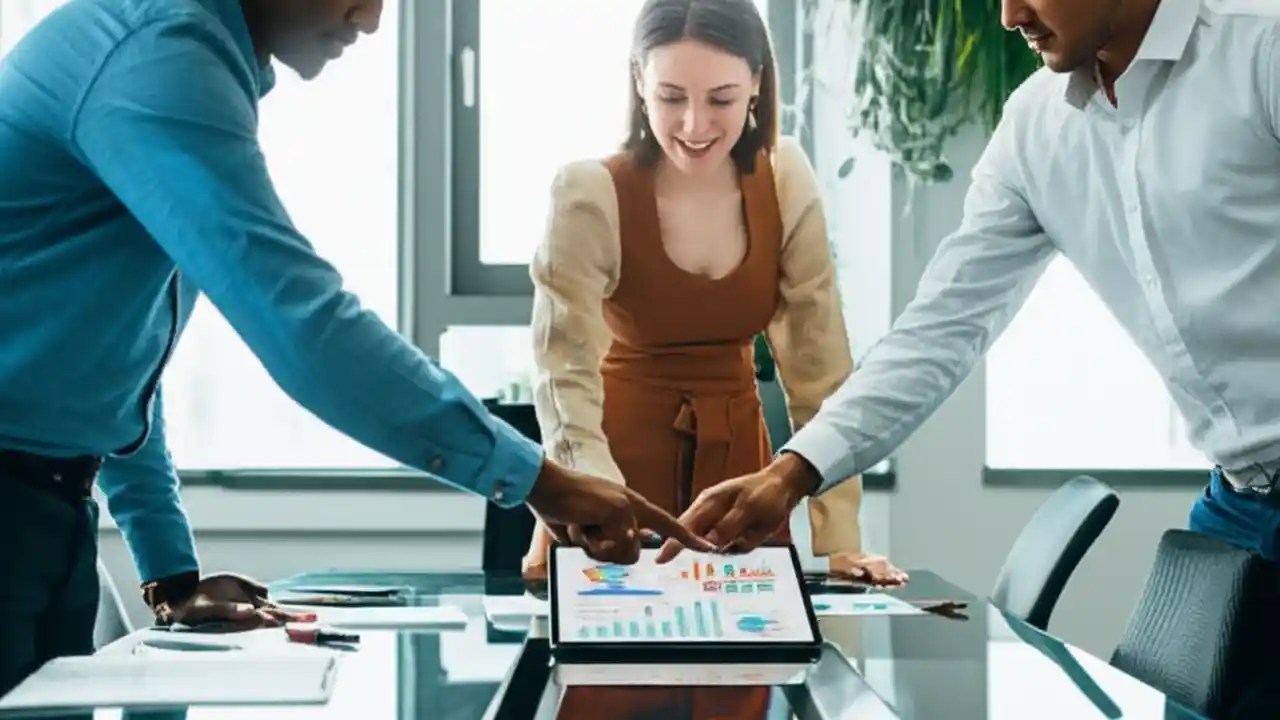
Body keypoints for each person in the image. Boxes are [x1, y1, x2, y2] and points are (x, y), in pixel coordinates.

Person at [0, 0, 710, 698]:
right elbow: (305, 327)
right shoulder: (159, 56)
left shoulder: (178, 57)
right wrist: (537, 480)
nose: (369, 20)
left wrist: (170, 575)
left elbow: (115, 365)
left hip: (51, 507)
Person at [659, 0, 1280, 569]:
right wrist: (792, 471)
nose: (1009, 16)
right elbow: (940, 326)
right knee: (1187, 699)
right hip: (1240, 502)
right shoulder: (1036, 127)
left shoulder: (1261, 50)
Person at [521, 0, 905, 589]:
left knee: (744, 670)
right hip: (616, 470)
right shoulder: (589, 191)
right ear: (638, 83)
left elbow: (818, 365)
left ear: (756, 83)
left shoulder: (784, 178)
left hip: (739, 481)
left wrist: (837, 541)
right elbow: (563, 373)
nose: (694, 125)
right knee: (613, 676)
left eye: (720, 98)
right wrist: (594, 501)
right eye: (671, 97)